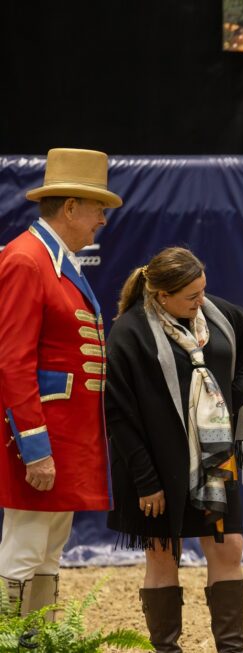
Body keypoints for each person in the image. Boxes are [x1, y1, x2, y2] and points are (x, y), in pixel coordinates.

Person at [104, 247, 243, 653]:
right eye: (191, 297)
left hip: (215, 460)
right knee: (162, 558)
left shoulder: (215, 314)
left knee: (229, 547)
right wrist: (146, 482)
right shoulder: (129, 332)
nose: (201, 303)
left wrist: (232, 394)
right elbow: (118, 417)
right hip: (153, 469)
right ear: (161, 295)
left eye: (203, 291)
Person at [0, 148, 121, 617]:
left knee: (49, 549)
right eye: (99, 209)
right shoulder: (26, 260)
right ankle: (12, 642)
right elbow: (12, 362)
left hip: (63, 439)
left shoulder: (54, 261)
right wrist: (35, 447)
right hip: (40, 440)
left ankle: (40, 640)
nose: (103, 221)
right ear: (70, 207)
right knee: (26, 546)